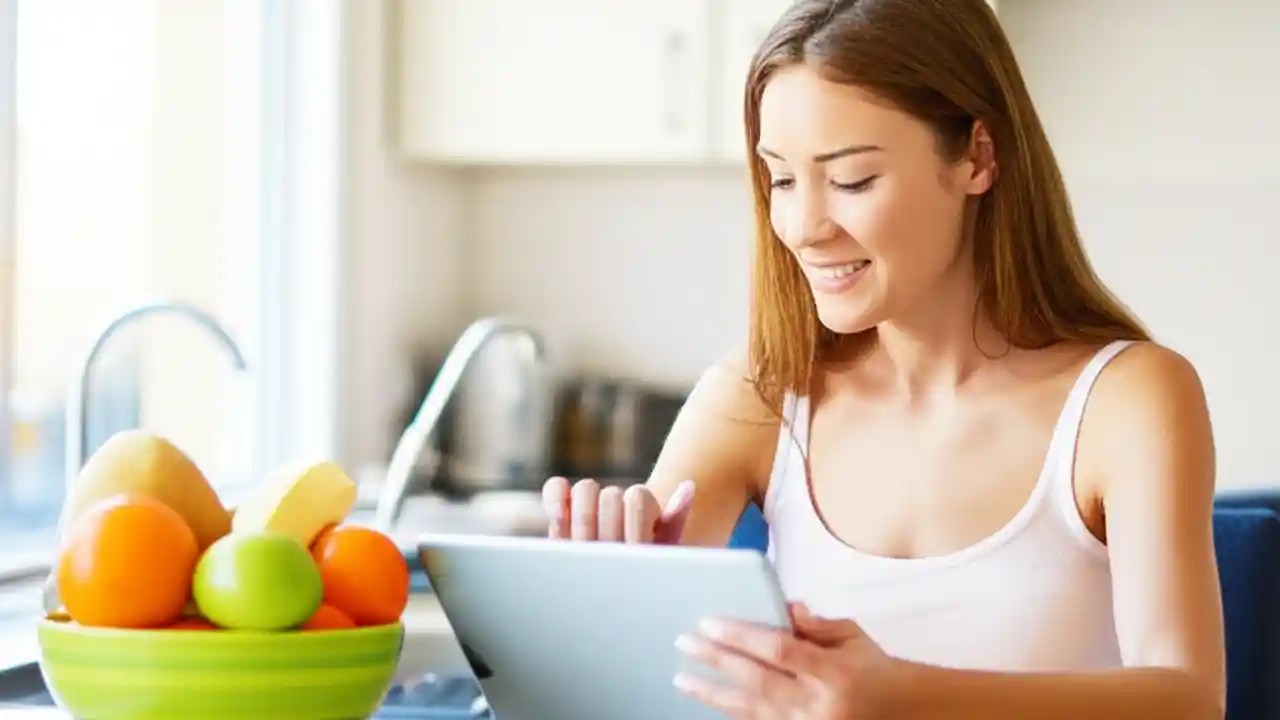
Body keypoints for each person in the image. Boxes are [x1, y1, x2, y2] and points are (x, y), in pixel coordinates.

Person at [541, 0, 1226, 717]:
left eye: (852, 181)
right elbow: (630, 672)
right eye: (780, 179)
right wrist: (609, 585)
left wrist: (900, 695)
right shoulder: (761, 392)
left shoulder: (1128, 399)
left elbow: (1187, 697)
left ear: (977, 159)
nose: (803, 228)